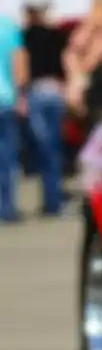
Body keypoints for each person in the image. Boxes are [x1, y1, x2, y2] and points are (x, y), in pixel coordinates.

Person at [21, 0, 70, 216]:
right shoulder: (56, 35)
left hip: (36, 91)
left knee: (42, 148)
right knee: (54, 148)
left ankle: (51, 200)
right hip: (55, 89)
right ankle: (54, 201)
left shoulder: (25, 36)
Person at [63, 0, 102, 132]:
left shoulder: (100, 37)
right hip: (101, 97)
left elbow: (78, 50)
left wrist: (76, 74)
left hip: (95, 98)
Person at [0, 14, 30, 224]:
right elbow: (19, 64)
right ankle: (7, 207)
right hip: (6, 100)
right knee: (7, 158)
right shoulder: (9, 27)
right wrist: (21, 95)